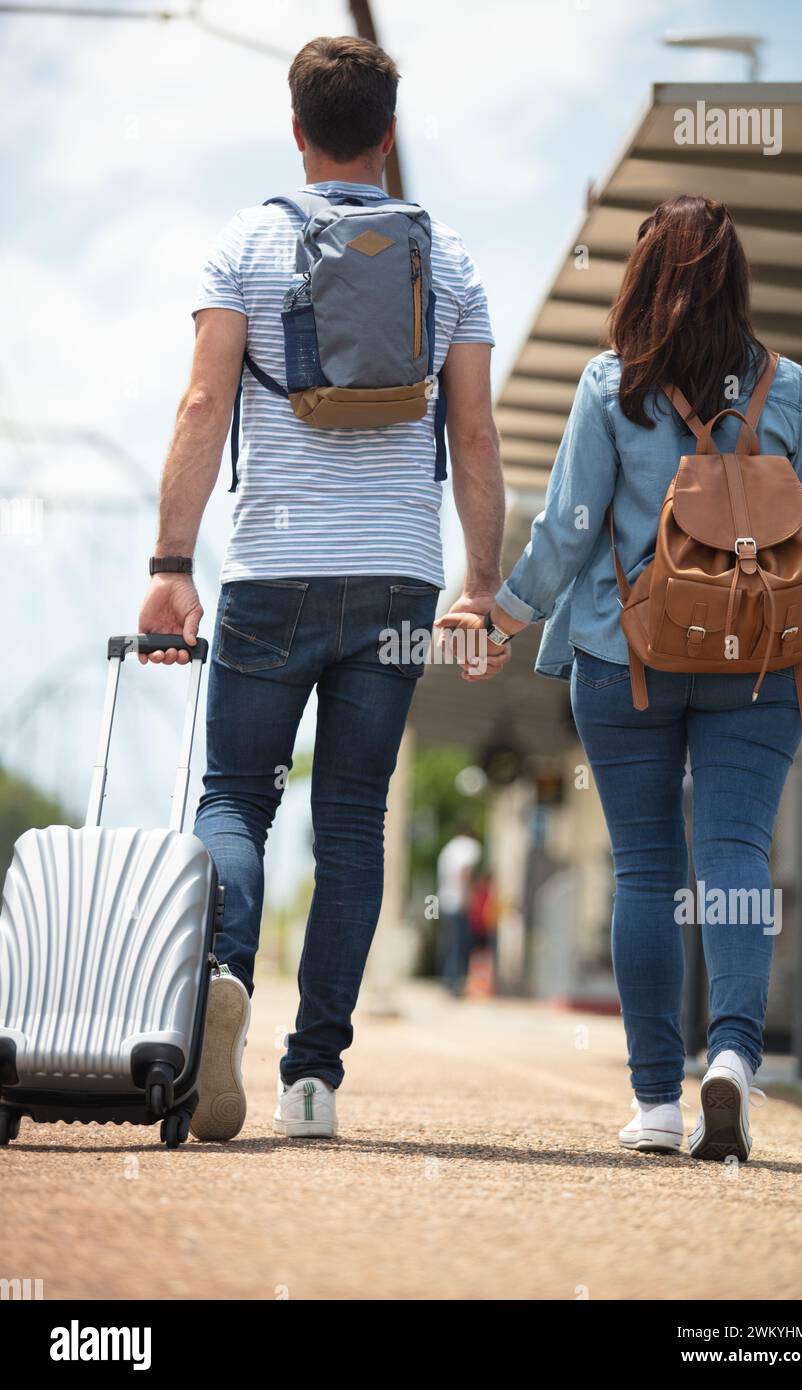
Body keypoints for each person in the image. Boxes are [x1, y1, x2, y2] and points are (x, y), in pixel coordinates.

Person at [136, 35, 510, 1142]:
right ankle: (312, 1081)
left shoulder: (244, 243)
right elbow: (478, 436)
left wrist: (169, 567)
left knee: (237, 796)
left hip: (267, 572)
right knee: (351, 820)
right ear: (388, 135)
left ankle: (221, 981)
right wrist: (479, 586)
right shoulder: (449, 263)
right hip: (397, 576)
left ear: (295, 131)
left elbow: (202, 411)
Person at [436, 196, 802, 1162]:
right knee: (735, 855)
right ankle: (734, 1060)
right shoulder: (788, 388)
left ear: (644, 278)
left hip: (629, 662)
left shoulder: (614, 385)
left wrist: (503, 615)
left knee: (648, 872)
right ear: (736, 279)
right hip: (755, 664)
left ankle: (658, 1104)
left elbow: (570, 530)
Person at [436, 827, 482, 995]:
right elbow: (465, 871)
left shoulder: (448, 849)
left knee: (448, 944)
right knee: (459, 944)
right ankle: (456, 984)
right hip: (458, 902)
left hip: (443, 901)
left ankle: (447, 981)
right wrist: (468, 896)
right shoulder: (469, 847)